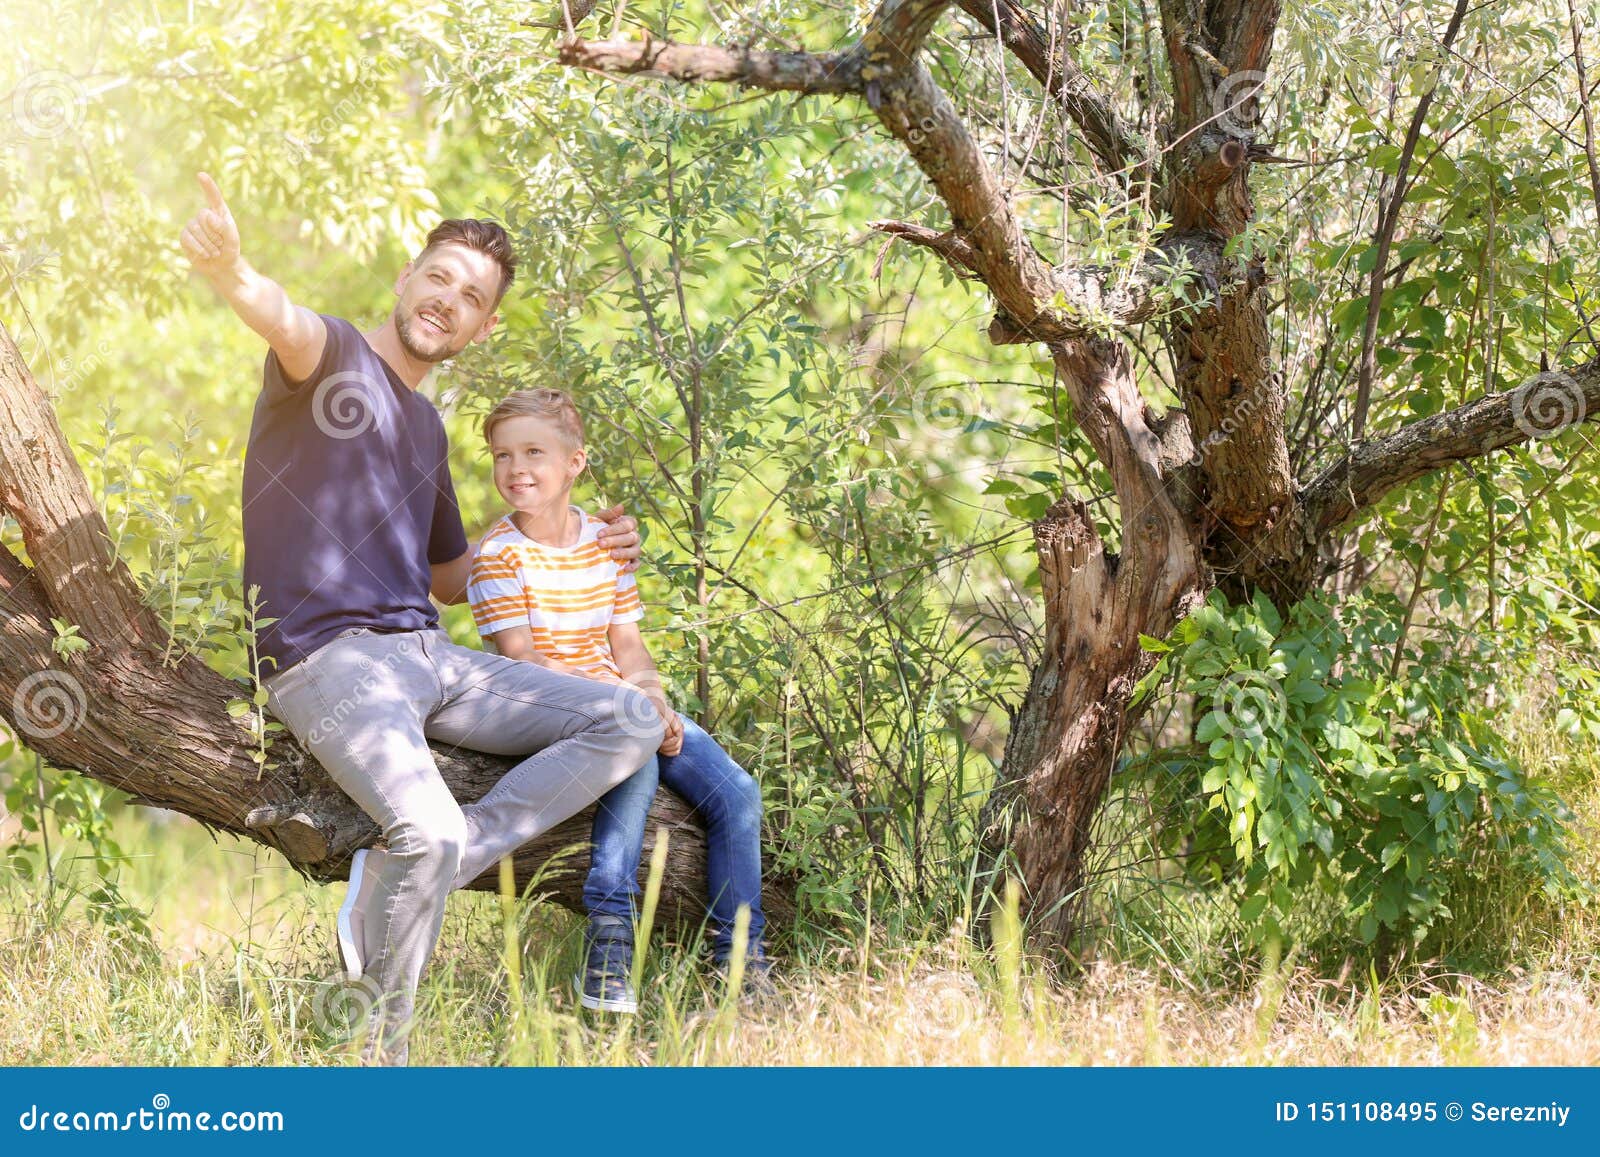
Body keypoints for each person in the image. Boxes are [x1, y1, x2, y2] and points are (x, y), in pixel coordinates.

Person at [180, 173, 664, 1065]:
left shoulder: (429, 428)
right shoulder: (327, 359)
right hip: (329, 660)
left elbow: (450, 576)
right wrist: (231, 271)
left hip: (432, 657)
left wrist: (577, 533)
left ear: (484, 327)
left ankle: (417, 870)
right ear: (408, 277)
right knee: (427, 829)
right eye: (440, 277)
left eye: (472, 297)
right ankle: (380, 1068)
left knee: (631, 715)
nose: (449, 299)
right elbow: (279, 314)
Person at [466, 388, 770, 1015]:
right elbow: (522, 662)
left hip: (625, 699)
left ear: (575, 463)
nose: (516, 468)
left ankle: (740, 964)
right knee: (639, 766)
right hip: (556, 712)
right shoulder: (496, 556)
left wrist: (652, 699)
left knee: (736, 792)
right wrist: (630, 715)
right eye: (502, 455)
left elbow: (628, 645)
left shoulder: (605, 542)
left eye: (533, 452)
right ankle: (606, 963)